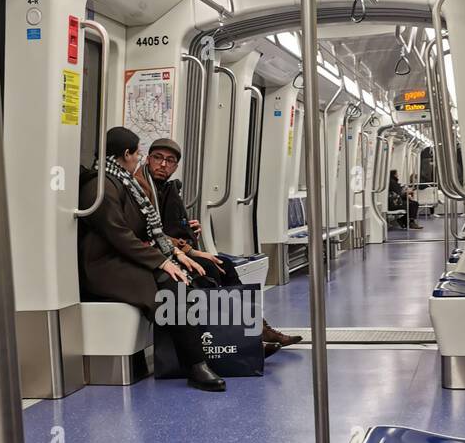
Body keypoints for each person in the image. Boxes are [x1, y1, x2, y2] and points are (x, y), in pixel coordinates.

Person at [78, 127, 226, 392]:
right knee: (170, 283)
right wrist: (162, 262)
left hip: (123, 258)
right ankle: (196, 364)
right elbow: (120, 235)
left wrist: (176, 254)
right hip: (104, 266)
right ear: (126, 154)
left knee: (181, 278)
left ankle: (200, 357)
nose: (139, 159)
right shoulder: (100, 187)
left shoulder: (124, 182)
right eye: (137, 153)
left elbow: (145, 231)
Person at [142, 137, 303, 352]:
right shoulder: (142, 188)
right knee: (212, 268)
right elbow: (149, 231)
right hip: (156, 258)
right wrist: (188, 248)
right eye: (158, 158)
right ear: (147, 158)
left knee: (223, 264)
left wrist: (189, 229)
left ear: (176, 166)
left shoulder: (165, 188)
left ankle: (254, 330)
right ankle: (243, 338)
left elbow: (165, 226)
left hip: (172, 252)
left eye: (169, 161)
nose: (163, 165)